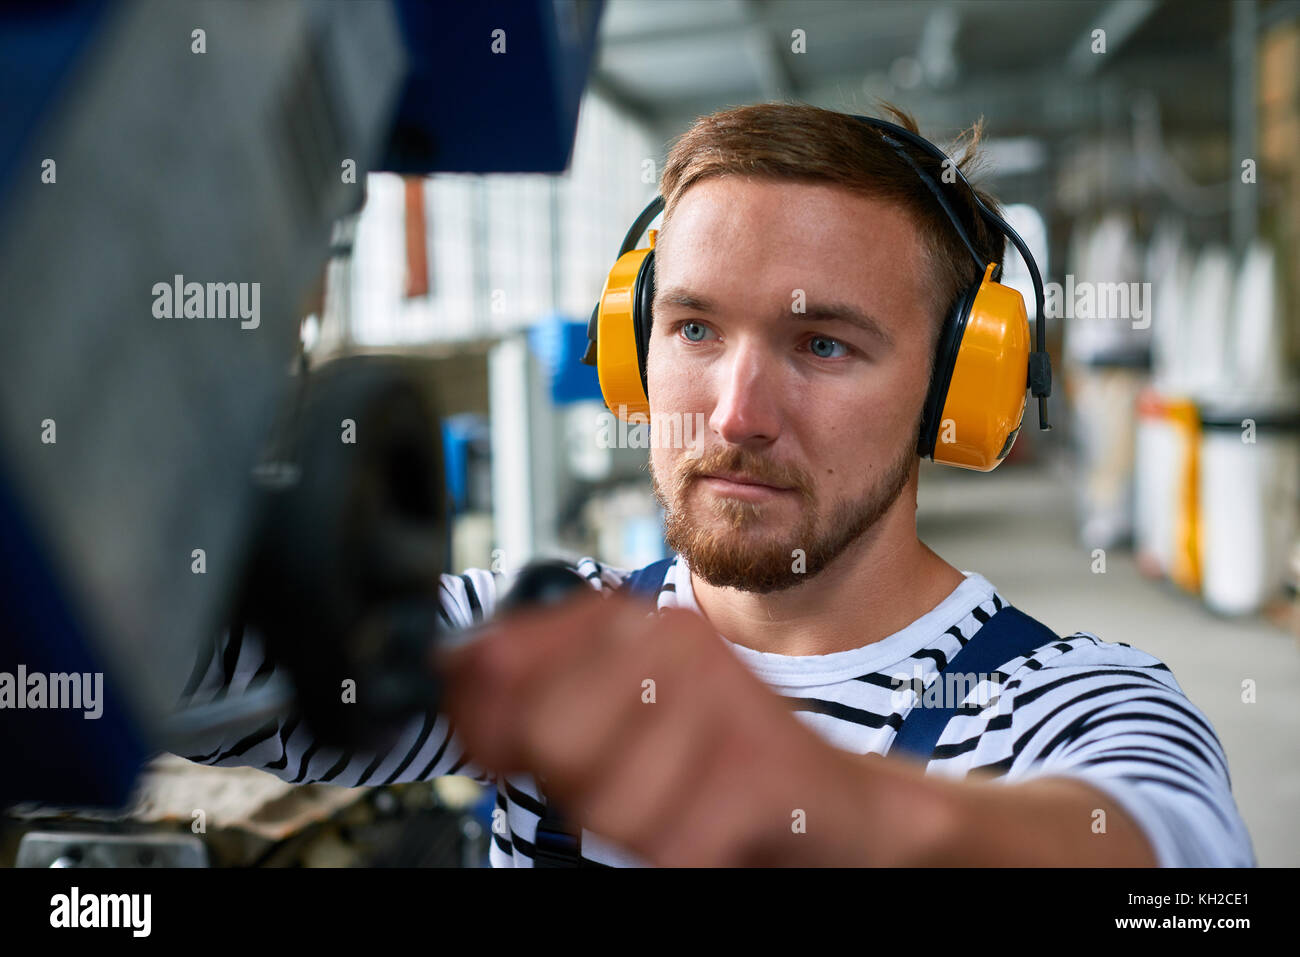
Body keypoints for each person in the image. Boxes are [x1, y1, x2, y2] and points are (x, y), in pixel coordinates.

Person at [178, 103, 1255, 868]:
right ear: (629, 351)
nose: (733, 414)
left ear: (953, 394)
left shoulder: (1066, 706)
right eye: (692, 328)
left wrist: (851, 817)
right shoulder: (536, 633)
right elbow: (188, 686)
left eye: (824, 344)